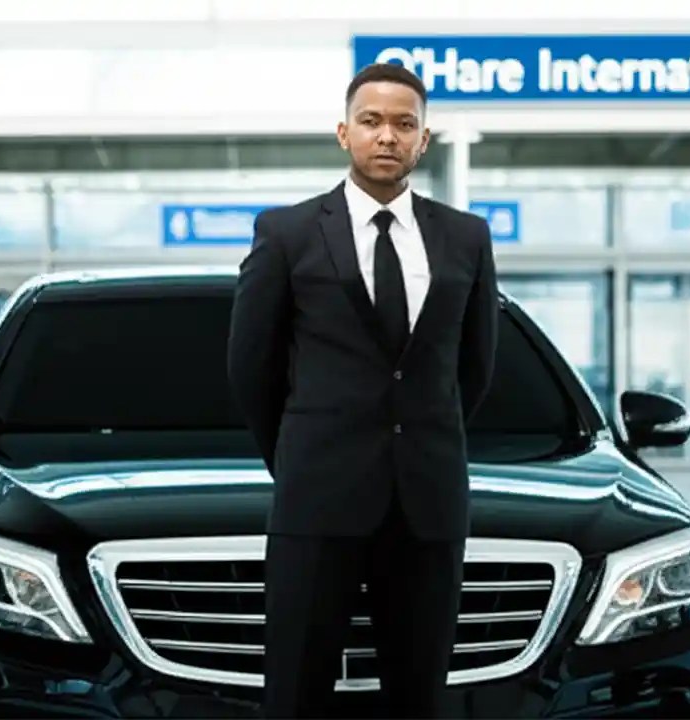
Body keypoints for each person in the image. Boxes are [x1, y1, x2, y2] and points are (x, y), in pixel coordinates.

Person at [226, 61, 499, 718]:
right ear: (344, 132)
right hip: (317, 500)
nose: (387, 136)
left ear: (424, 140)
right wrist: (295, 459)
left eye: (404, 124)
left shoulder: (466, 237)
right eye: (372, 121)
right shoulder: (286, 234)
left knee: (419, 698)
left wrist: (422, 441)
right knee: (296, 695)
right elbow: (250, 367)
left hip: (428, 506)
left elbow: (475, 369)